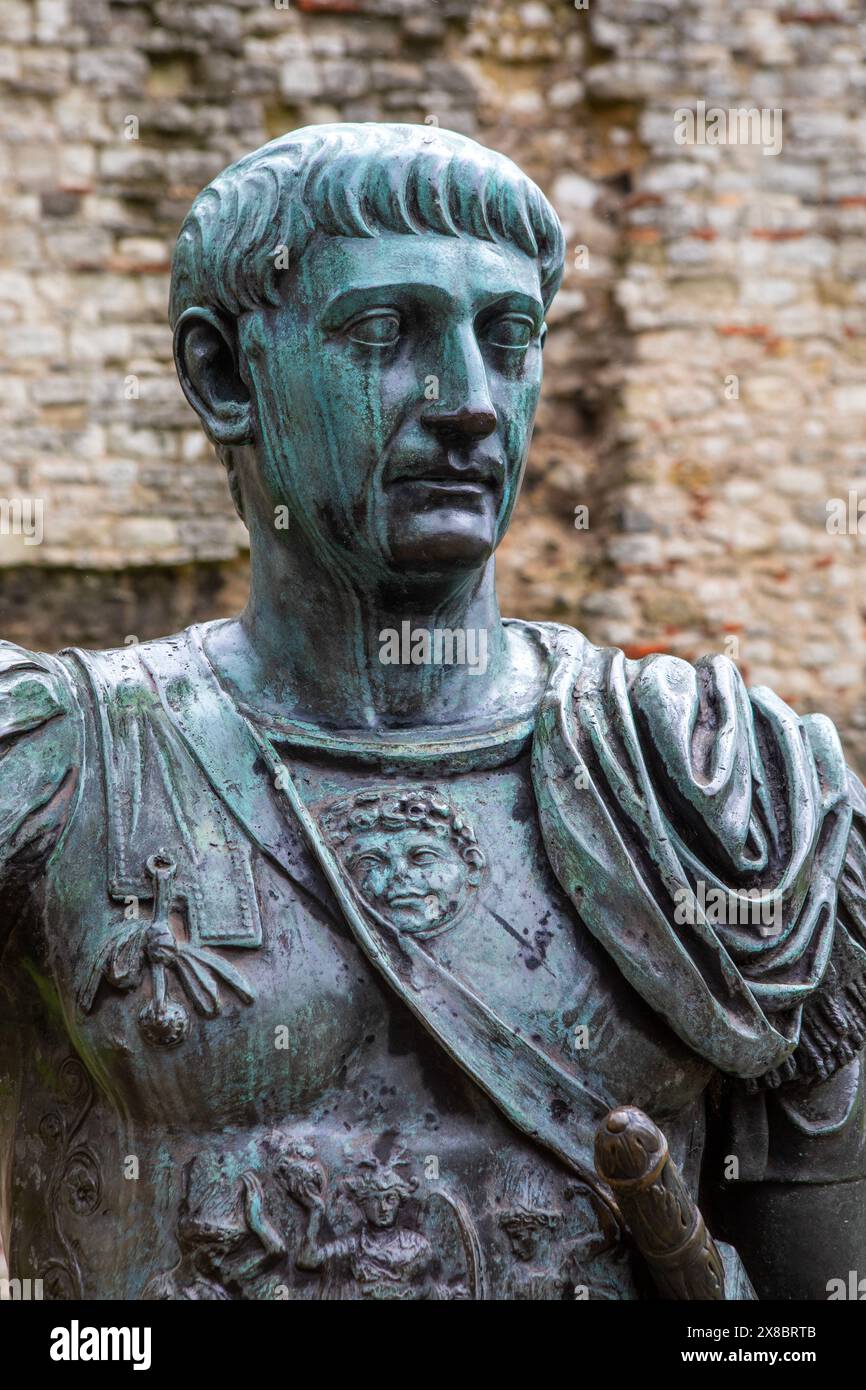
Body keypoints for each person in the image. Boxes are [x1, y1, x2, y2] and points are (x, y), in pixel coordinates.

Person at [2, 123, 865, 1300]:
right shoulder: (58, 768)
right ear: (222, 376)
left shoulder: (723, 793)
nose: (468, 403)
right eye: (382, 333)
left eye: (507, 340)